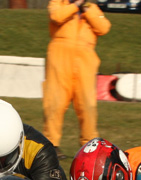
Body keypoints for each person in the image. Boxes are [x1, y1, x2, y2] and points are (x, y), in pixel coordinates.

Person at [43, 0, 111, 159]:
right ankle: (51, 144)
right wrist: (75, 5)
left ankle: (90, 146)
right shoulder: (58, 3)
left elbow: (103, 27)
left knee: (87, 105)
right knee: (55, 102)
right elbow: (56, 16)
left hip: (86, 58)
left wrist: (85, 8)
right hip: (59, 55)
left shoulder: (91, 7)